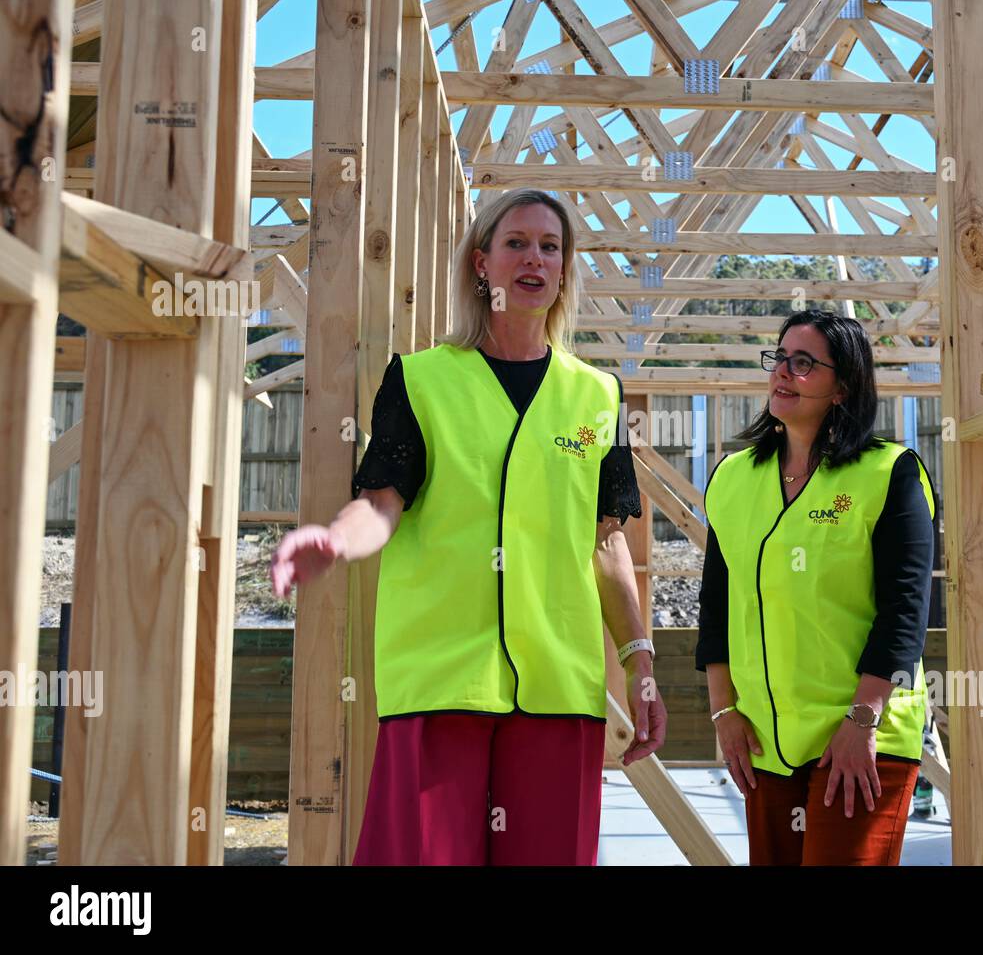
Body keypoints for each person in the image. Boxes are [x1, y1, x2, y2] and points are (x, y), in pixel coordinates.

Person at [270, 188, 665, 865]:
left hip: (557, 686)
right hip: (442, 678)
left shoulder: (597, 394)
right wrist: (336, 540)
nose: (534, 258)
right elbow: (382, 502)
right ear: (481, 264)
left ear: (565, 269)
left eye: (550, 246)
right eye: (516, 243)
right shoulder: (421, 380)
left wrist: (639, 660)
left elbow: (606, 542)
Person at [696, 308, 935, 866]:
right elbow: (718, 605)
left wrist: (862, 722)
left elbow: (906, 612)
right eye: (779, 358)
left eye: (803, 363)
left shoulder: (889, 473)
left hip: (859, 736)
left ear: (843, 387)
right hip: (765, 741)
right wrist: (723, 712)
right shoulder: (733, 479)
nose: (783, 371)